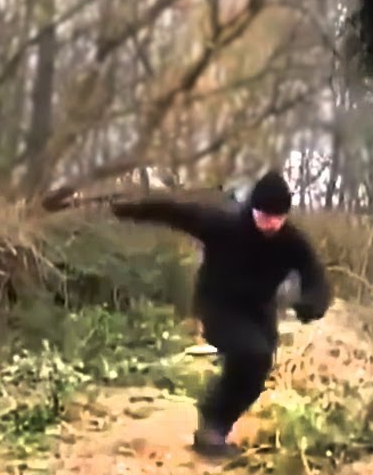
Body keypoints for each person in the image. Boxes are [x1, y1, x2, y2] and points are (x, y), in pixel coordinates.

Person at [108, 171, 331, 457]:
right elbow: (174, 212)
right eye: (264, 216)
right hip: (218, 305)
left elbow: (316, 278)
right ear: (253, 208)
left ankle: (217, 426)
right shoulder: (225, 225)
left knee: (257, 370)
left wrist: (312, 304)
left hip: (259, 311)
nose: (270, 224)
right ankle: (210, 429)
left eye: (277, 218)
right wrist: (129, 208)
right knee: (251, 354)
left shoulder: (293, 242)